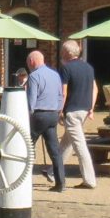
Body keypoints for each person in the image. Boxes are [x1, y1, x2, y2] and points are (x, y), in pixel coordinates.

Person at [56, 39, 98, 190]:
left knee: (80, 146)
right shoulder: (88, 67)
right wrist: (91, 108)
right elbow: (95, 89)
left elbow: (64, 92)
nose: (61, 54)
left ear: (66, 53)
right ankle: (53, 171)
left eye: (62, 51)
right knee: (66, 143)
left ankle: (89, 180)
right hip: (84, 110)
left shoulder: (65, 68)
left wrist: (59, 110)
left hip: (72, 111)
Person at [24, 50, 66, 193]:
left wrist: (27, 116)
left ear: (31, 62)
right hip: (53, 114)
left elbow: (31, 101)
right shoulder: (55, 74)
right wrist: (58, 111)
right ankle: (60, 183)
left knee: (27, 147)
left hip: (39, 114)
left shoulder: (34, 76)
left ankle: (25, 180)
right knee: (55, 150)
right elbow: (61, 96)